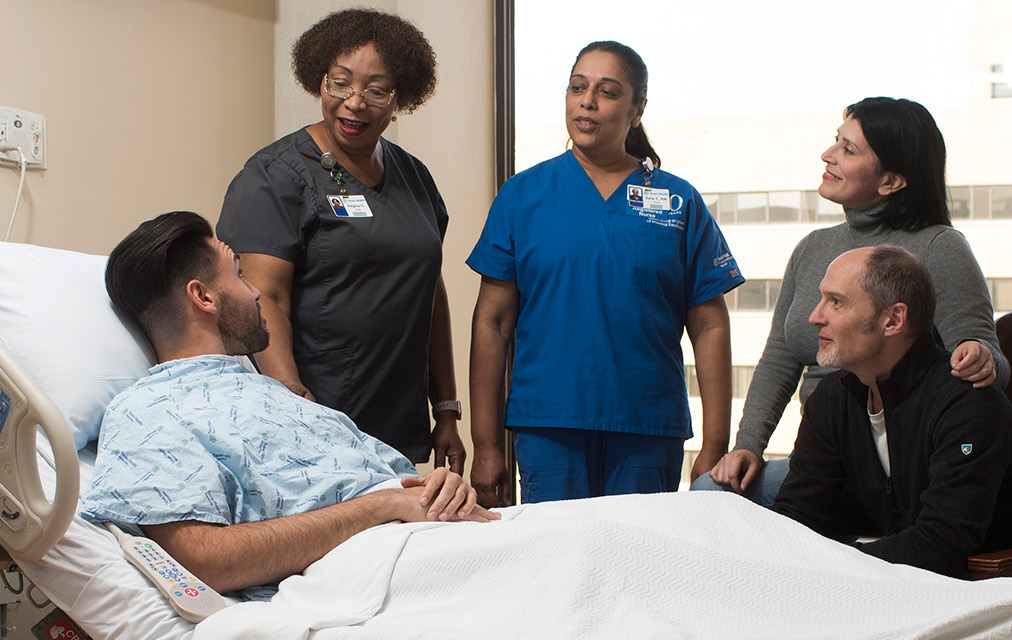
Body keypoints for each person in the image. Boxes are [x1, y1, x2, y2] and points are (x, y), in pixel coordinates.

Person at [82, 212, 497, 601]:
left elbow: (402, 489)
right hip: (375, 571)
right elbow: (205, 561)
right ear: (204, 296)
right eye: (241, 275)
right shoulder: (149, 412)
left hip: (436, 539)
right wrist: (383, 505)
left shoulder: (276, 395)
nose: (256, 291)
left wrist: (441, 489)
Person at [694, 97, 1009, 506]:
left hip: (899, 467)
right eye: (835, 142)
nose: (828, 156)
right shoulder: (813, 249)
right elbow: (779, 360)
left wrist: (979, 355)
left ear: (891, 181)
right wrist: (748, 445)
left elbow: (988, 359)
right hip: (822, 457)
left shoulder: (939, 248)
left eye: (848, 150)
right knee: (711, 493)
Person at [467, 41, 743, 506]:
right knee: (556, 562)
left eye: (608, 92)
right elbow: (491, 323)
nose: (587, 101)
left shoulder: (678, 201)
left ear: (637, 111)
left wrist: (714, 444)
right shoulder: (523, 195)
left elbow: (711, 323)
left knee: (638, 566)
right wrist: (487, 443)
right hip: (549, 422)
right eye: (578, 87)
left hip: (646, 425)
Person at [216, 8, 465, 468]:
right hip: (313, 424)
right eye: (339, 83)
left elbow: (429, 289)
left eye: (376, 89)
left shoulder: (414, 177)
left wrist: (445, 408)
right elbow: (260, 296)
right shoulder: (274, 177)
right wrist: (293, 401)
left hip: (397, 425)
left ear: (399, 98)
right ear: (319, 81)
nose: (354, 102)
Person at [769, 246, 1012, 579]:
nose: (815, 316)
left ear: (893, 320)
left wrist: (832, 567)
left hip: (998, 591)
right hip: (910, 583)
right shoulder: (833, 400)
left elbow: (942, 544)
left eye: (836, 302)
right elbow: (797, 514)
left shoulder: (966, 403)